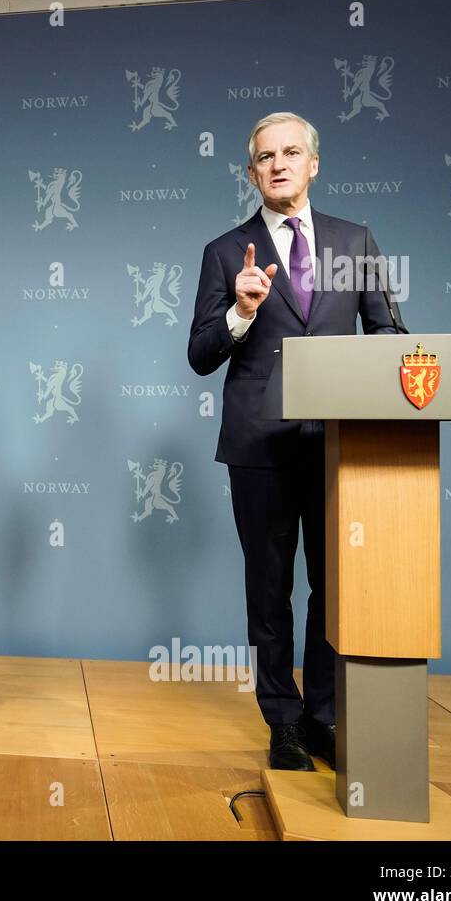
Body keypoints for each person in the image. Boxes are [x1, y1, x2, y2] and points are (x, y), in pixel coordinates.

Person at [187, 112, 405, 771]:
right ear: (251, 173)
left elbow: (389, 335)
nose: (278, 163)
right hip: (261, 446)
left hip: (338, 444)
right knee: (270, 590)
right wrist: (241, 312)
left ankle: (323, 718)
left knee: (334, 589)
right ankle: (281, 721)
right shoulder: (227, 252)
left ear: (314, 163)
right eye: (264, 157)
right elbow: (200, 355)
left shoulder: (356, 240)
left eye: (290, 152)